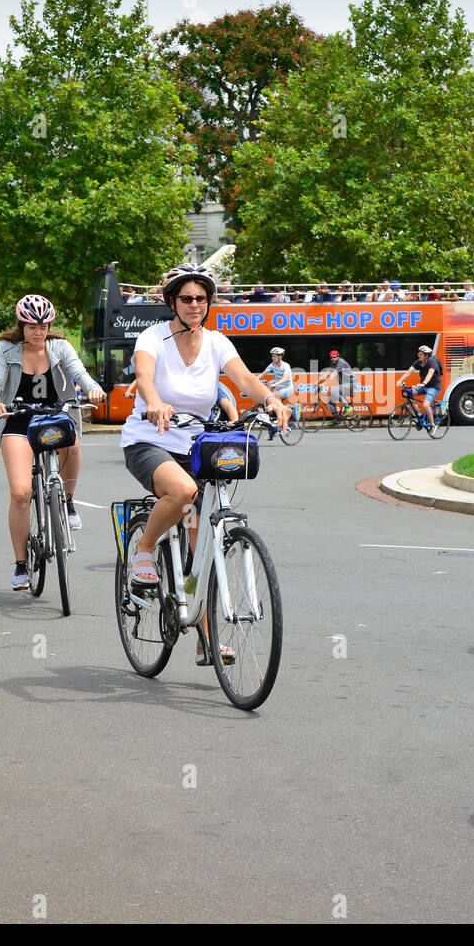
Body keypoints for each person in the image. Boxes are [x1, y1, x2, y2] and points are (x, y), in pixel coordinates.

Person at [121, 264, 289, 665]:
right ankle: (144, 550)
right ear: (172, 303)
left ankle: (206, 636)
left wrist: (270, 400)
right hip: (151, 440)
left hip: (197, 444)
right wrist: (156, 402)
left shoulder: (216, 342)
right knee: (183, 491)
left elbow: (244, 379)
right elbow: (144, 376)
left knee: (204, 542)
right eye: (186, 298)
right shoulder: (153, 338)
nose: (195, 305)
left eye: (201, 298)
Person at [0, 295, 105, 588]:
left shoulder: (60, 347)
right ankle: (21, 563)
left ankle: (68, 500)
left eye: (43, 325)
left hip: (54, 416)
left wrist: (93, 389)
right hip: (18, 420)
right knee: (20, 494)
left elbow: (80, 373)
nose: (37, 331)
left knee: (73, 444)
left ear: (49, 325)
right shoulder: (6, 349)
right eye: (31, 326)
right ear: (22, 325)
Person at [397, 345, 445, 427]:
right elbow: (409, 372)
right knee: (407, 393)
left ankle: (433, 425)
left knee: (426, 405)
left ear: (426, 356)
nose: (419, 356)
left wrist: (423, 383)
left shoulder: (432, 362)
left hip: (433, 387)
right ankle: (416, 412)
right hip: (423, 386)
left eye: (421, 354)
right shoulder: (418, 362)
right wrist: (400, 380)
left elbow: (430, 374)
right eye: (419, 354)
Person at [315, 349, 355, 420]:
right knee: (330, 399)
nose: (333, 359)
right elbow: (326, 374)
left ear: (338, 357)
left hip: (350, 383)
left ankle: (347, 407)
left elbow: (333, 375)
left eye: (334, 357)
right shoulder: (333, 364)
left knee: (334, 391)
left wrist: (323, 384)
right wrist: (317, 383)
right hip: (344, 384)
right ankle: (336, 418)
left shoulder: (341, 363)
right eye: (331, 358)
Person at [261, 347, 297, 420]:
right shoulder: (272, 365)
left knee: (276, 395)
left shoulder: (286, 366)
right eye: (272, 356)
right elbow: (262, 375)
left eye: (275, 356)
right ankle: (277, 417)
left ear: (280, 357)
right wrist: (252, 380)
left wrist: (275, 384)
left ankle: (285, 415)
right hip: (279, 388)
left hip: (288, 388)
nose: (273, 358)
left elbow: (285, 378)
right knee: (267, 398)